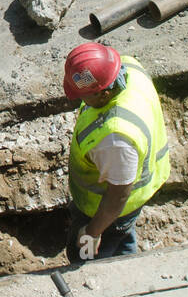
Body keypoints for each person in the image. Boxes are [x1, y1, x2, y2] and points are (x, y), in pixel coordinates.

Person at [63, 43, 171, 263]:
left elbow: (117, 197)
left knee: (85, 257)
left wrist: (92, 232)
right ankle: (126, 256)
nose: (80, 100)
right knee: (122, 238)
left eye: (85, 96)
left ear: (105, 93)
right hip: (122, 189)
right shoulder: (128, 66)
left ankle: (95, 284)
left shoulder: (116, 138)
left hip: (107, 210)